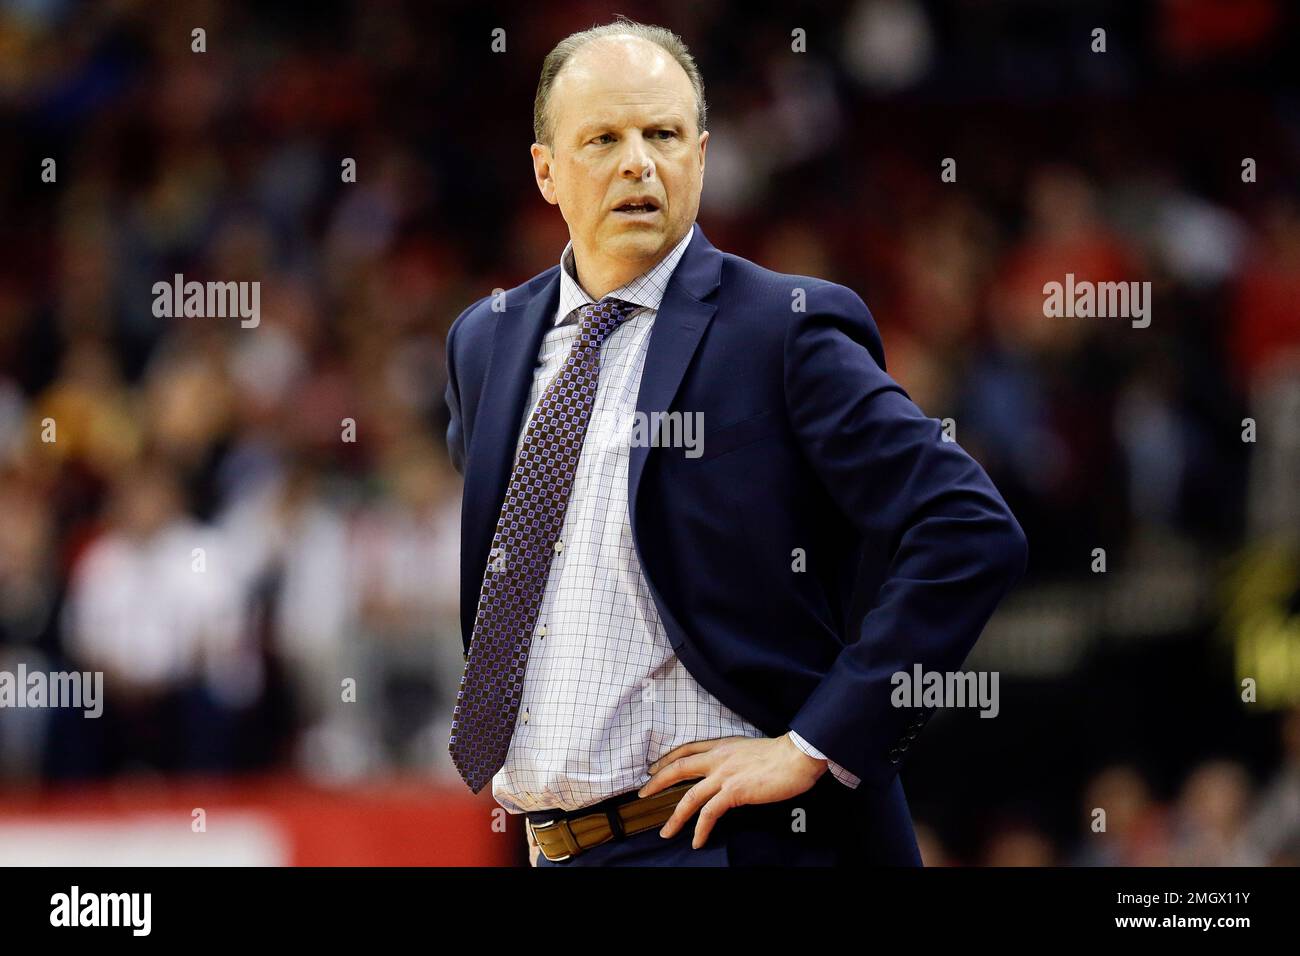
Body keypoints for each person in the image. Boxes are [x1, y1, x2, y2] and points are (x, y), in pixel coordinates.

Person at [443, 17, 1027, 866]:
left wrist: (813, 744)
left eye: (664, 135)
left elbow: (970, 529)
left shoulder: (782, 329)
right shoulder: (484, 342)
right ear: (546, 171)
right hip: (550, 845)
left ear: (703, 156)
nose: (639, 161)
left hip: (723, 840)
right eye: (603, 138)